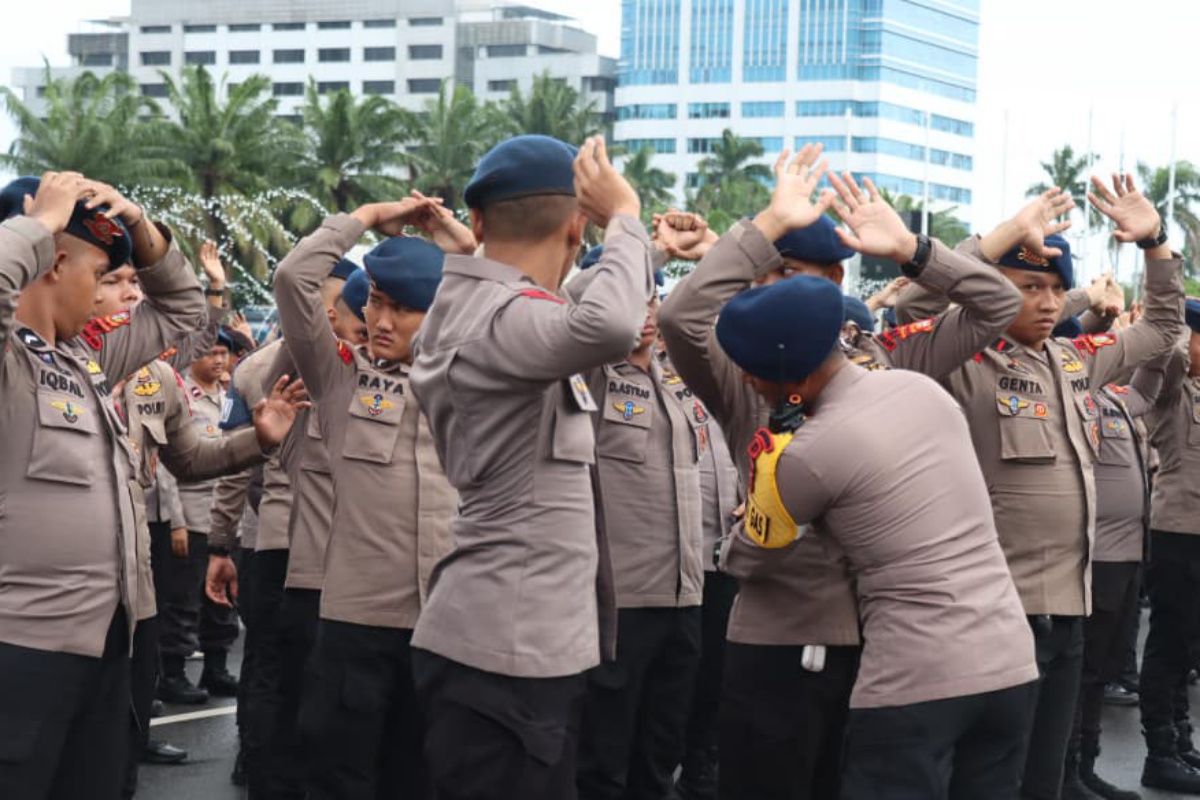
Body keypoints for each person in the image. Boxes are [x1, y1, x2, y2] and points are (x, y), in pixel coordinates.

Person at [657, 144, 1026, 799]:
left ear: (834, 281)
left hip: (885, 645)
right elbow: (680, 318)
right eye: (763, 273)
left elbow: (996, 305)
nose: (767, 288)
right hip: (784, 634)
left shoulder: (886, 358)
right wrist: (764, 227)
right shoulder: (747, 372)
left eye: (789, 272)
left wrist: (912, 249)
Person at [894, 172, 1186, 800]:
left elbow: (1163, 328)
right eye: (1030, 287)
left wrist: (1155, 243)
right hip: (991, 612)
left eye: (1057, 288)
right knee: (983, 780)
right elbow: (913, 309)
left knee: (1043, 779)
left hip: (1069, 609)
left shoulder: (1075, 360)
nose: (1050, 302)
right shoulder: (960, 360)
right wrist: (1000, 236)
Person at [714, 272, 1038, 799]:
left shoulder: (809, 453)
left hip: (916, 678)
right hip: (1008, 661)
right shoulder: (920, 389)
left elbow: (750, 557)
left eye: (752, 371)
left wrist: (746, 516)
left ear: (790, 378)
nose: (747, 381)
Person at [408, 134, 654, 800]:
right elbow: (608, 326)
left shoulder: (486, 309)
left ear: (478, 220)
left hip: (516, 646)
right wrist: (625, 217)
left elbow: (569, 307)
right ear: (577, 225)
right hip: (508, 654)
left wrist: (634, 247)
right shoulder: (502, 319)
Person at [0, 171, 207, 798]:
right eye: (96, 274)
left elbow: (183, 310)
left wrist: (140, 226)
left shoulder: (81, 361)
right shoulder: (10, 363)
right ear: (54, 263)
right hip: (23, 649)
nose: (101, 295)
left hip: (107, 644)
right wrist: (39, 224)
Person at [275, 194, 470, 799]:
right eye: (377, 302)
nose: (382, 321)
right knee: (339, 778)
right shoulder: (340, 377)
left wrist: (464, 248)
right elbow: (293, 279)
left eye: (404, 309)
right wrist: (367, 215)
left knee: (421, 780)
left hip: (443, 624)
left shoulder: (472, 380)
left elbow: (536, 308)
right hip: (355, 624)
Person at [205, 256, 366, 797]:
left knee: (297, 676)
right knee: (273, 670)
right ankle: (259, 766)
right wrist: (222, 542)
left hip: (334, 551)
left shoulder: (372, 367)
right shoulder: (265, 368)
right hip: (280, 542)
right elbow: (238, 461)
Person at [564, 277, 705, 800]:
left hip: (683, 596)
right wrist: (644, 258)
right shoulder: (592, 375)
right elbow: (569, 300)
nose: (643, 313)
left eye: (650, 299)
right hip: (622, 600)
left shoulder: (676, 382)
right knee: (604, 758)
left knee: (661, 755)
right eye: (630, 300)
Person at [1060, 351, 1164, 800]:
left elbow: (1148, 390)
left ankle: (1087, 765)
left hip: (1128, 555)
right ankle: (1066, 773)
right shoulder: (1077, 395)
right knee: (1082, 672)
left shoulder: (1116, 399)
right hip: (1097, 556)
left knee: (1101, 670)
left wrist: (1161, 349)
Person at [155, 329, 242, 702]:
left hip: (223, 517)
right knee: (182, 601)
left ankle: (216, 668)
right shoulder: (181, 394)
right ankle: (173, 674)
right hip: (190, 516)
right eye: (212, 353)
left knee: (221, 601)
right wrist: (175, 521)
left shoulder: (229, 397)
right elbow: (165, 463)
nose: (219, 360)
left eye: (224, 353)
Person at [1136, 297, 1200, 793]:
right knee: (1168, 644)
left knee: (1186, 646)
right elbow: (1172, 357)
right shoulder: (1173, 389)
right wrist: (1180, 328)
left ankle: (1180, 739)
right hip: (1177, 532)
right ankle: (1159, 752)